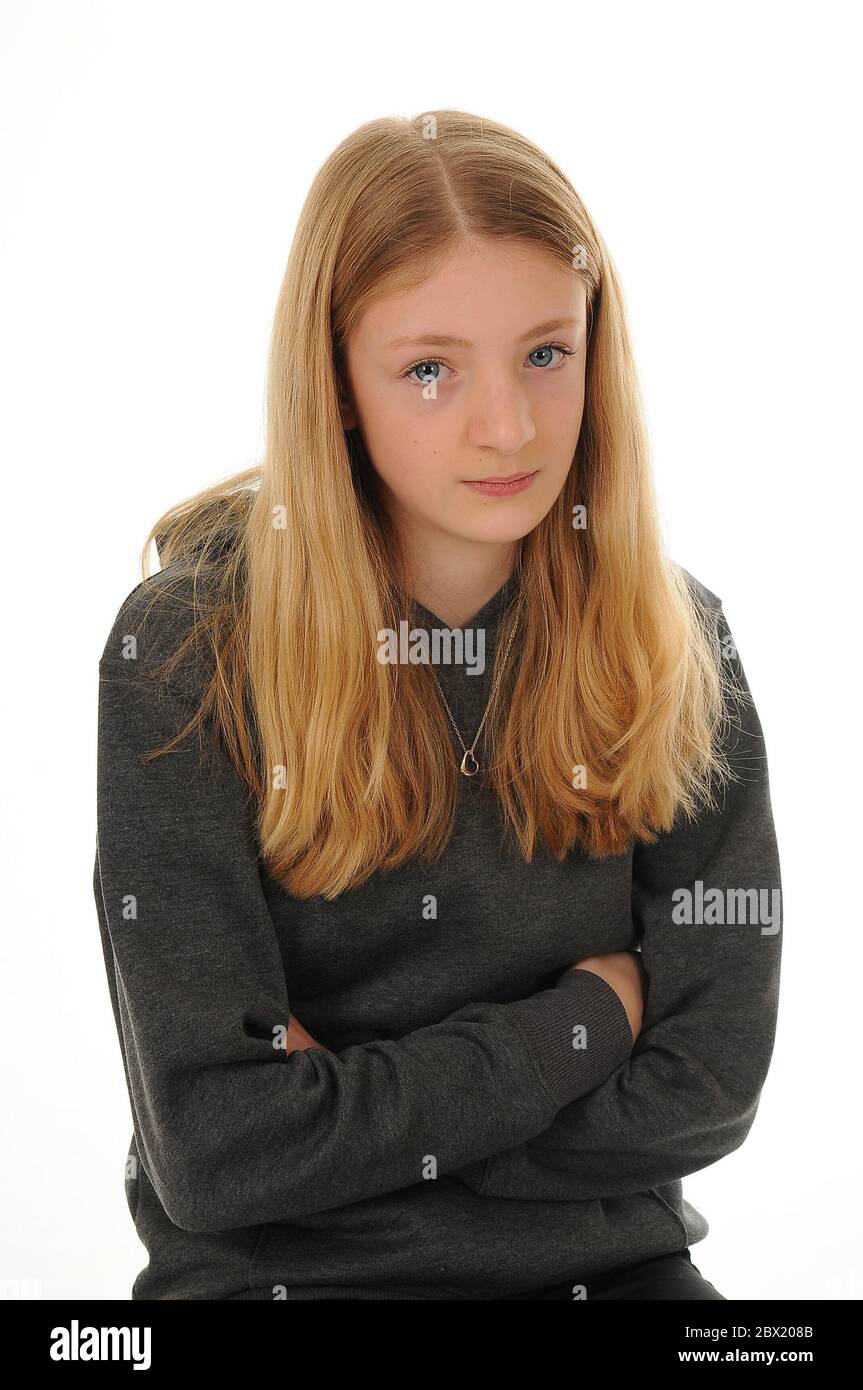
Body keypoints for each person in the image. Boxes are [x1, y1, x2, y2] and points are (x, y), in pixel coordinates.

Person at [94, 109, 781, 1301]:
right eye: (427, 368)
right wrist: (586, 1020)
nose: (507, 427)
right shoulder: (187, 649)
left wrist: (343, 1118)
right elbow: (216, 1148)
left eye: (544, 353)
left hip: (604, 1270)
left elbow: (709, 1083)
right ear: (338, 382)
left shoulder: (673, 640)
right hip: (278, 1279)